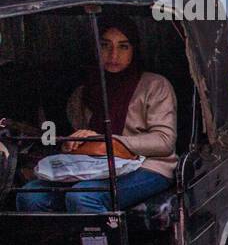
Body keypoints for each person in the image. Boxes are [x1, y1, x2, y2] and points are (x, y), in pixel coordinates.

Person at [16, 18, 176, 213]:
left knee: (82, 197)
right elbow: (76, 139)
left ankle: (108, 244)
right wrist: (69, 144)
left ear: (134, 50)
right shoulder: (85, 91)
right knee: (30, 195)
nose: (113, 54)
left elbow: (164, 142)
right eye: (105, 45)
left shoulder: (155, 85)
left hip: (147, 166)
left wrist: (109, 141)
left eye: (123, 46)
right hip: (91, 167)